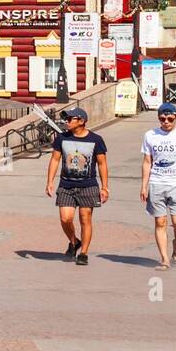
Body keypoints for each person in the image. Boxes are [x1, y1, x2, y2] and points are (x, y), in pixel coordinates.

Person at [44, 106, 109, 266]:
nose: (66, 122)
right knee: (65, 219)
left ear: (81, 121)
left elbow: (102, 164)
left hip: (88, 185)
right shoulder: (62, 138)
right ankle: (74, 241)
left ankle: (84, 253)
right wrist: (50, 182)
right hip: (66, 184)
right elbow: (55, 160)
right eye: (66, 119)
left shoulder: (96, 139)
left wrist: (105, 187)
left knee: (85, 219)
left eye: (70, 119)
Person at [140, 102, 176, 270]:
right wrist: (144, 186)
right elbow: (146, 162)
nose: (166, 122)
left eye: (169, 118)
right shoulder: (150, 135)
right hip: (156, 183)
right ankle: (165, 259)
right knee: (160, 222)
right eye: (162, 118)